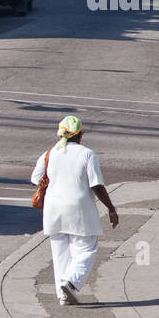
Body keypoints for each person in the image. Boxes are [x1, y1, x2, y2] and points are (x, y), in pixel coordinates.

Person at [30, 116, 119, 306]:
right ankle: (70, 284)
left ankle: (63, 295)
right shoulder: (87, 154)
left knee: (60, 254)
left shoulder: (50, 152)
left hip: (53, 209)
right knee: (86, 250)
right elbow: (97, 185)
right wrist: (111, 208)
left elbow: (36, 178)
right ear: (79, 134)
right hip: (79, 209)